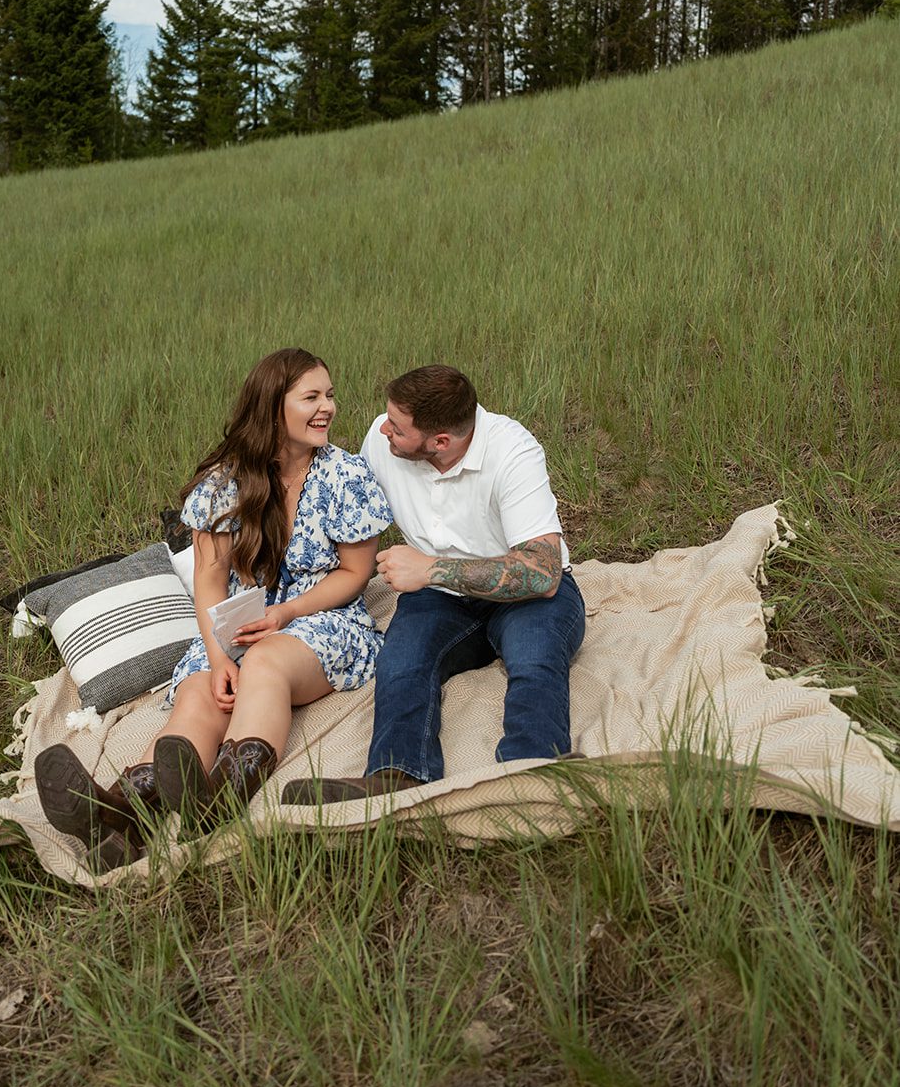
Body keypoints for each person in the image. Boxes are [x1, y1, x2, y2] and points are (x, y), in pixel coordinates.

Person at [35, 348, 392, 868]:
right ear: (273, 408)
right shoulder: (227, 481)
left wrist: (286, 614)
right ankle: (119, 814)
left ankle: (221, 796)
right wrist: (218, 652)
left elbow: (356, 574)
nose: (328, 408)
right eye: (311, 397)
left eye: (329, 395)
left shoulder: (346, 477)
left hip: (321, 620)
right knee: (201, 689)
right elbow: (208, 578)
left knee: (267, 661)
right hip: (244, 621)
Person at [282, 364, 585, 803]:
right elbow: (331, 498)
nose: (383, 429)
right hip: (440, 601)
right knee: (402, 663)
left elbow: (541, 572)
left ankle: (532, 768)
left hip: (526, 597)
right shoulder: (382, 441)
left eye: (398, 428)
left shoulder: (512, 451)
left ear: (440, 441)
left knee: (534, 657)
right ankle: (397, 776)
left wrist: (431, 570)